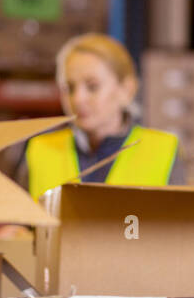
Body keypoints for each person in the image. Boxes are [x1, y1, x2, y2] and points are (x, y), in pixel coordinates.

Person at [22, 33, 183, 199]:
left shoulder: (164, 150)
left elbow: (179, 222)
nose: (78, 99)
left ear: (127, 90)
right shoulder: (39, 150)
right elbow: (24, 221)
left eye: (93, 87)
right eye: (69, 88)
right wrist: (16, 226)